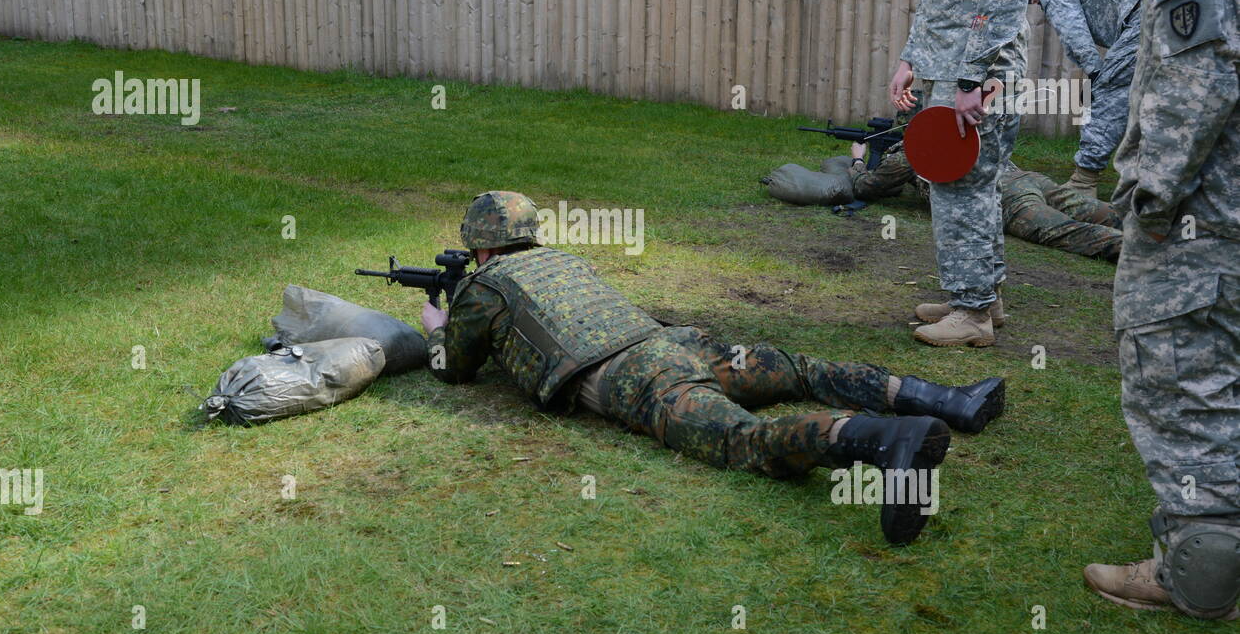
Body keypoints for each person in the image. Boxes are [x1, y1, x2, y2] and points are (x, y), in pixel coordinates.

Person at [423, 191, 1007, 545]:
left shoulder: (484, 285)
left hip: (635, 377)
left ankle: (882, 440)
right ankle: (945, 400)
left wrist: (434, 327)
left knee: (739, 439)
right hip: (677, 342)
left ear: (478, 244)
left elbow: (455, 368)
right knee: (792, 368)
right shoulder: (561, 260)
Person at [1083, 0, 1240, 621]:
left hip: (1199, 225)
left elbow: (1196, 91)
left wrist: (1147, 205)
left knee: (1184, 391)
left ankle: (1196, 574)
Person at [893, 0, 1042, 348]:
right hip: (949, 65)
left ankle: (972, 314)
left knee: (961, 183)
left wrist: (970, 81)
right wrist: (912, 58)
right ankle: (982, 295)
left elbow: (1000, 1)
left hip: (979, 74)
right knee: (968, 181)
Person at [838, 147, 1124, 266]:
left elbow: (866, 187)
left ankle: (1137, 249)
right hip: (1029, 178)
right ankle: (1160, 227)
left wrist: (858, 161)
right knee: (1110, 213)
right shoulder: (967, 128)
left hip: (1006, 194)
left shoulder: (911, 152)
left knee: (1067, 232)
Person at [1031, 0, 1151, 196]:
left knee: (1108, 92)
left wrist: (1095, 72)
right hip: (1177, 3)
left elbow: (1071, 25)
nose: (1034, 2)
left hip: (1149, 9)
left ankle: (1083, 182)